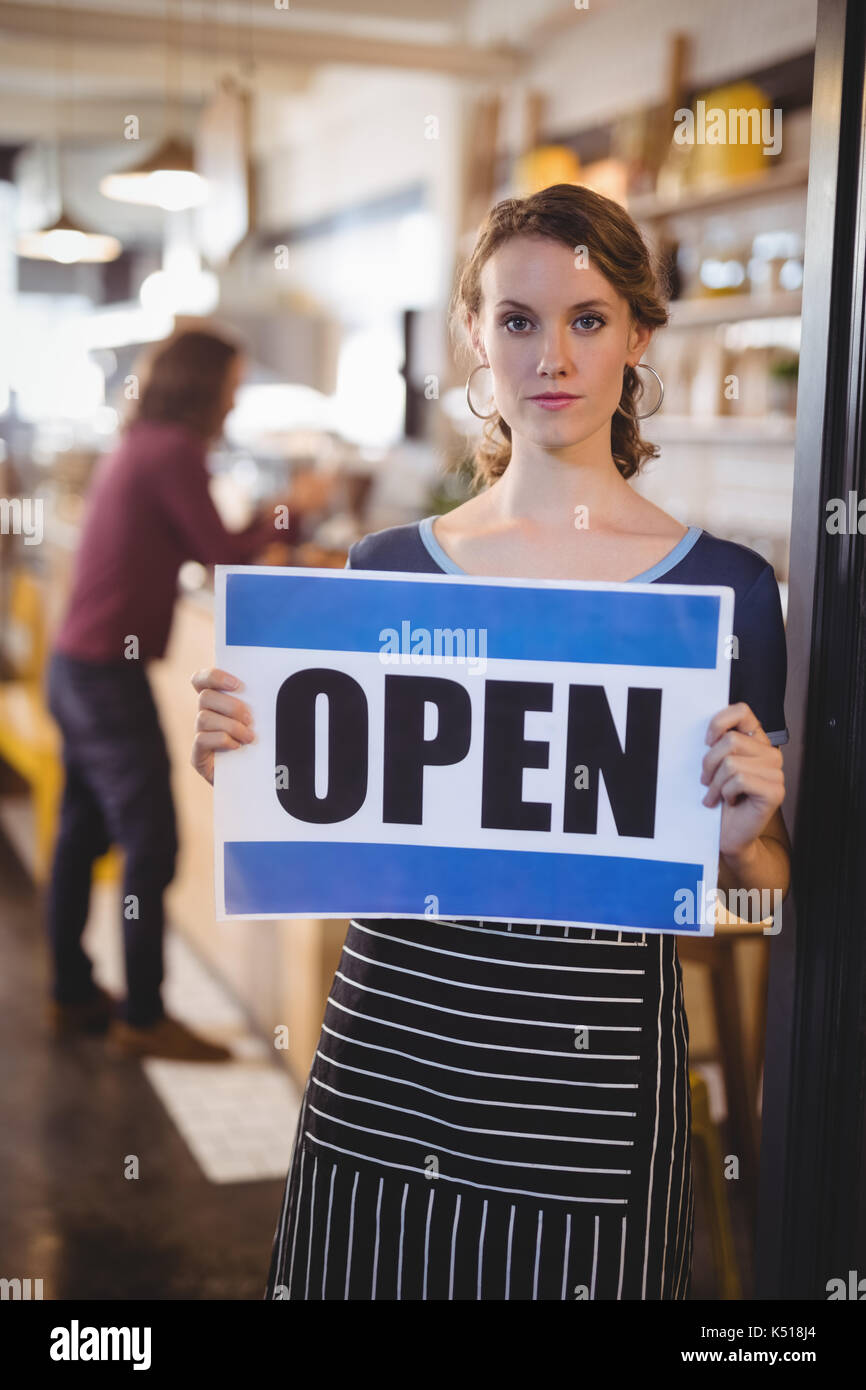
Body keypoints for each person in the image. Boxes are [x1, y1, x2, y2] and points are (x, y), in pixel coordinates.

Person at [190, 184, 791, 1298]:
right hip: (384, 1075)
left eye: (586, 318)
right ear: (474, 331)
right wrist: (244, 749)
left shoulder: (723, 594)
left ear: (638, 336)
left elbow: (757, 908)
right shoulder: (384, 570)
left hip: (590, 1110)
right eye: (517, 319)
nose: (549, 355)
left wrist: (749, 847)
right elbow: (332, 826)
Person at [45, 327, 303, 1061]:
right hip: (102, 679)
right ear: (204, 387)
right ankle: (145, 1016)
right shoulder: (172, 451)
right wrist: (294, 511)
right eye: (231, 387)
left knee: (81, 833)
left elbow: (203, 551)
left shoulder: (143, 444)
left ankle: (70, 992)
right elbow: (221, 556)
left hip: (76, 668)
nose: (233, 402)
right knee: (150, 842)